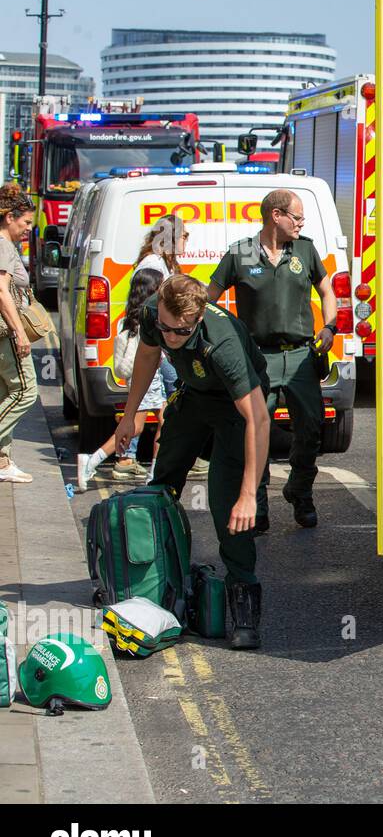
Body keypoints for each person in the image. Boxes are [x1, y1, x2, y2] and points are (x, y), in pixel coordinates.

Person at [116, 273, 271, 649]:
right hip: (195, 396)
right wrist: (129, 413)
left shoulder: (223, 343)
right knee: (161, 483)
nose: (171, 337)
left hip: (238, 410)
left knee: (226, 504)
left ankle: (244, 605)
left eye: (180, 333)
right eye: (166, 328)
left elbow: (259, 419)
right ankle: (151, 579)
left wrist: (248, 494)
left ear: (198, 320)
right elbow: (148, 356)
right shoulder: (157, 313)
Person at [206, 189, 337, 532]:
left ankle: (300, 490)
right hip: (257, 359)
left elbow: (327, 290)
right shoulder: (239, 253)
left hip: (300, 357)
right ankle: (258, 501)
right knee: (255, 429)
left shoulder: (305, 249)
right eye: (296, 217)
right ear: (275, 216)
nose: (301, 223)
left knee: (311, 427)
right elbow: (209, 300)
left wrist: (330, 327)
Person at [107, 214, 191, 481]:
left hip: (161, 344)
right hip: (156, 345)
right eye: (184, 236)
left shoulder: (162, 264)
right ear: (169, 239)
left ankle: (133, 459)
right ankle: (136, 462)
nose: (187, 241)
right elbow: (147, 308)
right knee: (167, 409)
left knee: (159, 408)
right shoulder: (153, 267)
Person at [77, 269, 167, 490]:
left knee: (161, 422)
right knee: (140, 426)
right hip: (148, 378)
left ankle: (152, 474)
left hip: (141, 377)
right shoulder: (151, 315)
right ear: (152, 290)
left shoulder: (131, 317)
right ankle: (93, 460)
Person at [0, 184, 39, 484]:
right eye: (25, 222)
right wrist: (19, 332)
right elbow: (1, 291)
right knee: (26, 392)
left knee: (6, 393)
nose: (28, 229)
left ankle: (2, 462)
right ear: (9, 217)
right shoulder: (2, 243)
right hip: (5, 332)